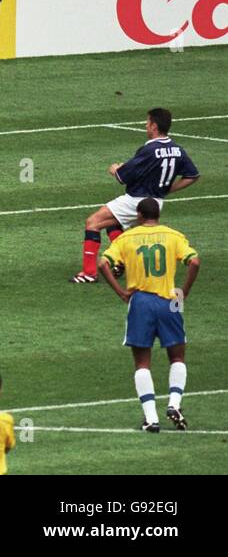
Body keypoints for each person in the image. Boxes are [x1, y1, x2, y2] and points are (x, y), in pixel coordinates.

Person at [98, 198, 200, 431]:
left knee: (142, 363)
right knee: (177, 356)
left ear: (139, 215)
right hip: (170, 301)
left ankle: (151, 419)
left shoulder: (126, 238)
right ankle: (174, 404)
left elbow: (103, 264)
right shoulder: (173, 235)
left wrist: (122, 293)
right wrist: (184, 292)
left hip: (140, 302)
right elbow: (194, 262)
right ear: (158, 215)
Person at [75, 107, 199, 283]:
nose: (145, 125)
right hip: (156, 202)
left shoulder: (149, 150)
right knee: (113, 225)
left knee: (93, 223)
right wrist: (167, 189)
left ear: (154, 126)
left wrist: (115, 169)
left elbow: (122, 176)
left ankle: (89, 273)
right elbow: (192, 176)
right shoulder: (178, 150)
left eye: (147, 122)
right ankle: (121, 261)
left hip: (136, 200)